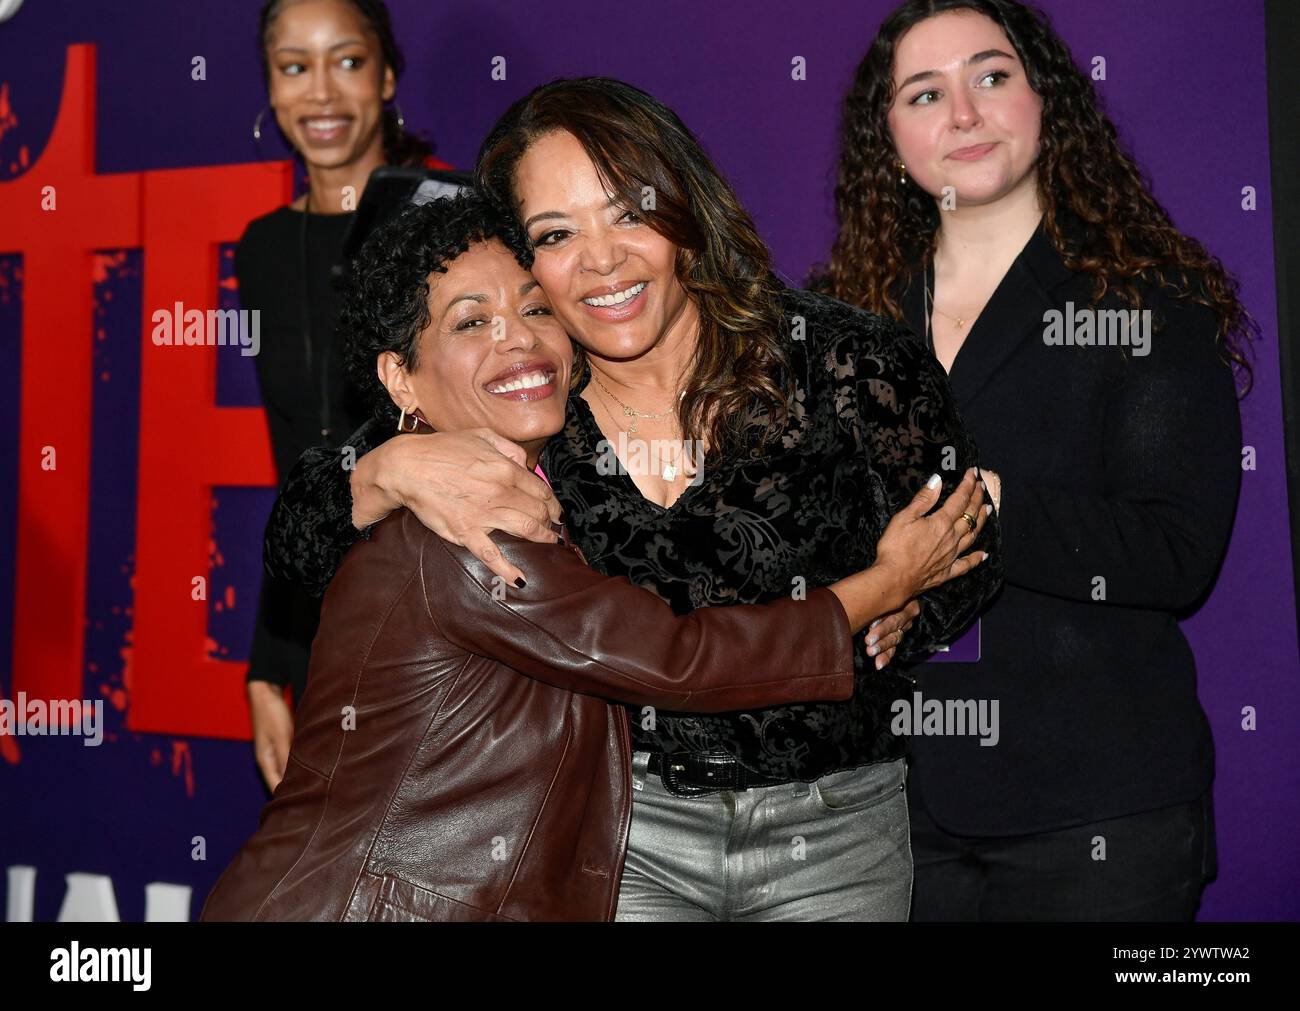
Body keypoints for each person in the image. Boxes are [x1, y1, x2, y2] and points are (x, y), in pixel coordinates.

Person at [261, 78, 1002, 921]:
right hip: (621, 833)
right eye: (555, 234)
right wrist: (386, 471)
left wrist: (911, 604)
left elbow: (969, 553)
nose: (601, 260)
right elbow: (297, 539)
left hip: (837, 832)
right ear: (522, 258)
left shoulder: (846, 362)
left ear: (685, 207)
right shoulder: (524, 402)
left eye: (628, 213)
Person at [814, 0, 1253, 920]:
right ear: (889, 140)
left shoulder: (1142, 295)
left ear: (1045, 98)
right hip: (887, 810)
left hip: (1096, 815)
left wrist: (988, 506)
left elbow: (1176, 552)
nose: (963, 114)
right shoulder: (840, 317)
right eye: (926, 93)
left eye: (991, 76)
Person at [239, 0, 451, 791]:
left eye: (347, 61)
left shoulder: (452, 222)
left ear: (387, 74)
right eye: (294, 67)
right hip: (326, 633)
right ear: (270, 86)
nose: (321, 93)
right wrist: (268, 666)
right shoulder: (261, 250)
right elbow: (294, 465)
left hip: (451, 619)